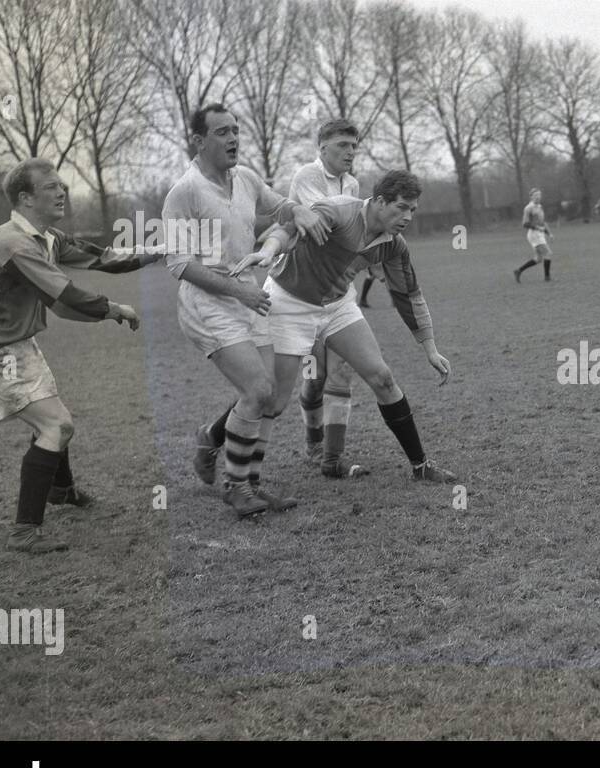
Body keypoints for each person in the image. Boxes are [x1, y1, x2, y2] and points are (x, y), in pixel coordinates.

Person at [0, 158, 154, 552]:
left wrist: (159, 252)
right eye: (51, 187)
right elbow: (66, 295)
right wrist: (115, 309)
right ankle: (23, 532)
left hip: (17, 346)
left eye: (61, 185)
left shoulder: (44, 236)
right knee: (56, 425)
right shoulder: (13, 242)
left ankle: (61, 491)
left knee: (53, 421)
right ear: (25, 198)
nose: (62, 191)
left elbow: (101, 258)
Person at [236, 169, 456, 486]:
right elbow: (288, 229)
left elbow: (408, 294)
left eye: (413, 210)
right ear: (380, 201)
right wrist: (267, 251)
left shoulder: (394, 244)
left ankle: (420, 466)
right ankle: (234, 465)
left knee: (382, 378)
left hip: (337, 305)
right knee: (273, 399)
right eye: (402, 207)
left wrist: (430, 348)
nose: (408, 216)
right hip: (289, 302)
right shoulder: (339, 211)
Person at [162, 103, 327, 518]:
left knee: (269, 396)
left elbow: (280, 206)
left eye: (236, 130)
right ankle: (236, 488)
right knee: (257, 391)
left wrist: (300, 210)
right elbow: (180, 265)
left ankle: (239, 471)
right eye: (222, 132)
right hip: (208, 304)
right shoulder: (185, 191)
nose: (233, 138)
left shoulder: (247, 178)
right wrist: (240, 291)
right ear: (199, 141)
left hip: (246, 297)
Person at [286, 118, 372, 477]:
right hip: (301, 289)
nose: (350, 152)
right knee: (314, 376)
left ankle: (330, 458)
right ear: (322, 148)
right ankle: (311, 440)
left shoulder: (352, 183)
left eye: (354, 146)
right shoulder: (307, 176)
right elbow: (325, 226)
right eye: (342, 146)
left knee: (342, 371)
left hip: (337, 289)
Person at [513, 189, 553, 282]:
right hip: (534, 234)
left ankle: (518, 271)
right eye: (535, 195)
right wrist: (538, 228)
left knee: (538, 259)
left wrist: (549, 233)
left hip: (540, 233)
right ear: (531, 197)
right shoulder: (528, 208)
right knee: (548, 253)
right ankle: (547, 277)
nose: (538, 197)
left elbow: (542, 222)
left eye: (539, 195)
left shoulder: (540, 206)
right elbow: (525, 224)